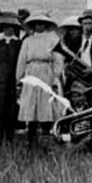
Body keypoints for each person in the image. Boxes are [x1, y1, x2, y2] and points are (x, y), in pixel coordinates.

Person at [17, 13, 64, 143]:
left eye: (42, 24)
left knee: (46, 106)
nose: (39, 26)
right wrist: (19, 78)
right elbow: (22, 60)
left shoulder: (53, 40)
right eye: (36, 24)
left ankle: (46, 139)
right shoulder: (27, 41)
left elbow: (58, 60)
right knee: (31, 107)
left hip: (46, 73)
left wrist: (55, 77)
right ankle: (31, 140)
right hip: (31, 73)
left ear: (46, 25)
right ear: (33, 25)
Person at [0, 12, 22, 146]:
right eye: (6, 26)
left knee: (11, 110)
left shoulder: (18, 43)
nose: (9, 29)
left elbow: (20, 62)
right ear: (2, 28)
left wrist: (20, 82)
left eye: (12, 27)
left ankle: (10, 139)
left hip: (13, 81)